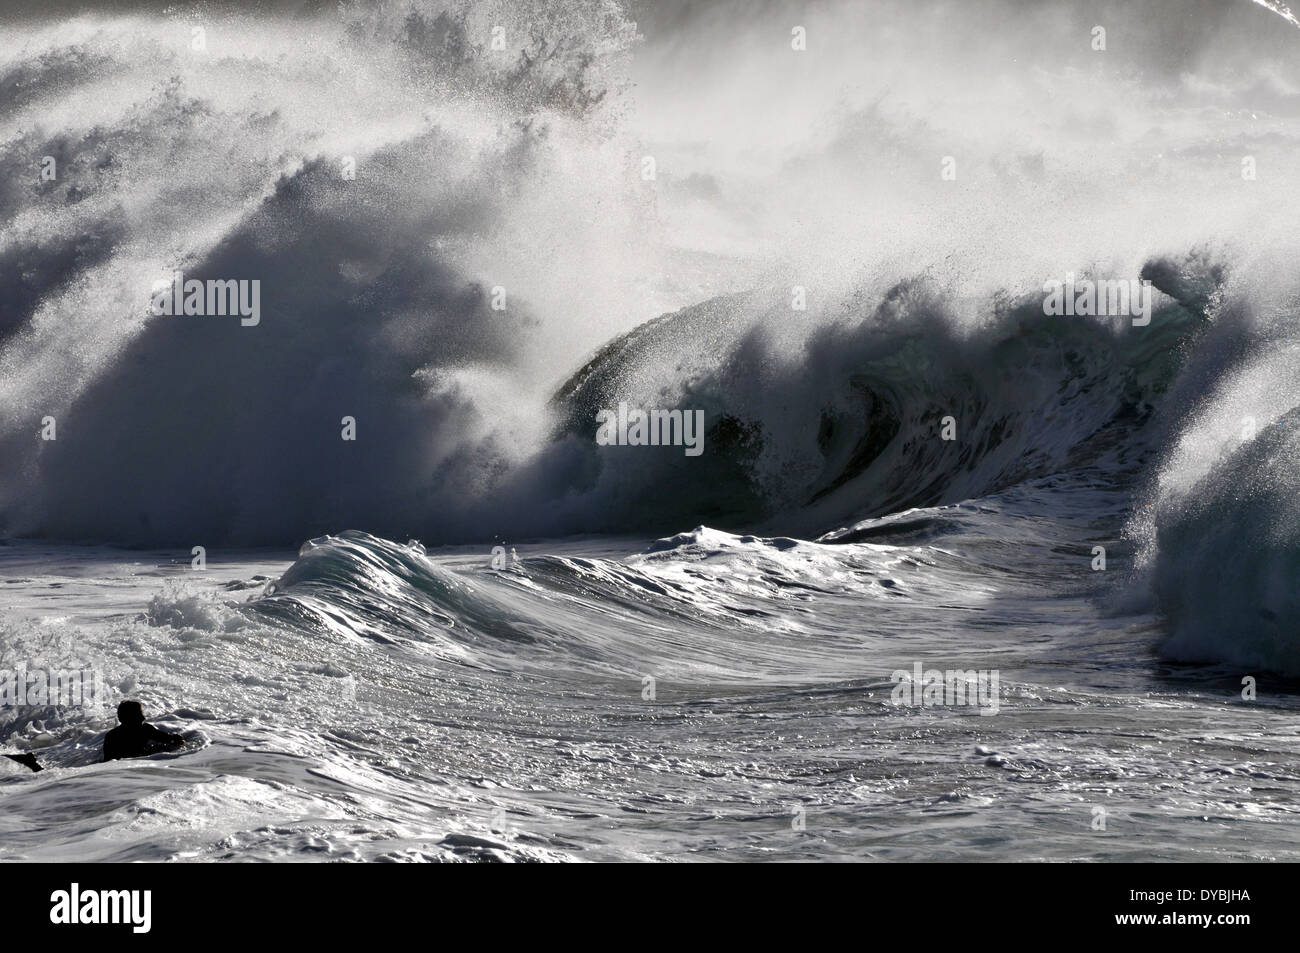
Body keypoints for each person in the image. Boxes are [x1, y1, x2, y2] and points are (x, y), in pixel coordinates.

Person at [103, 701, 185, 762]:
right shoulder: (113, 737)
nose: (143, 718)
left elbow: (168, 738)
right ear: (126, 718)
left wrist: (175, 739)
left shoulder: (112, 735)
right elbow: (109, 762)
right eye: (139, 714)